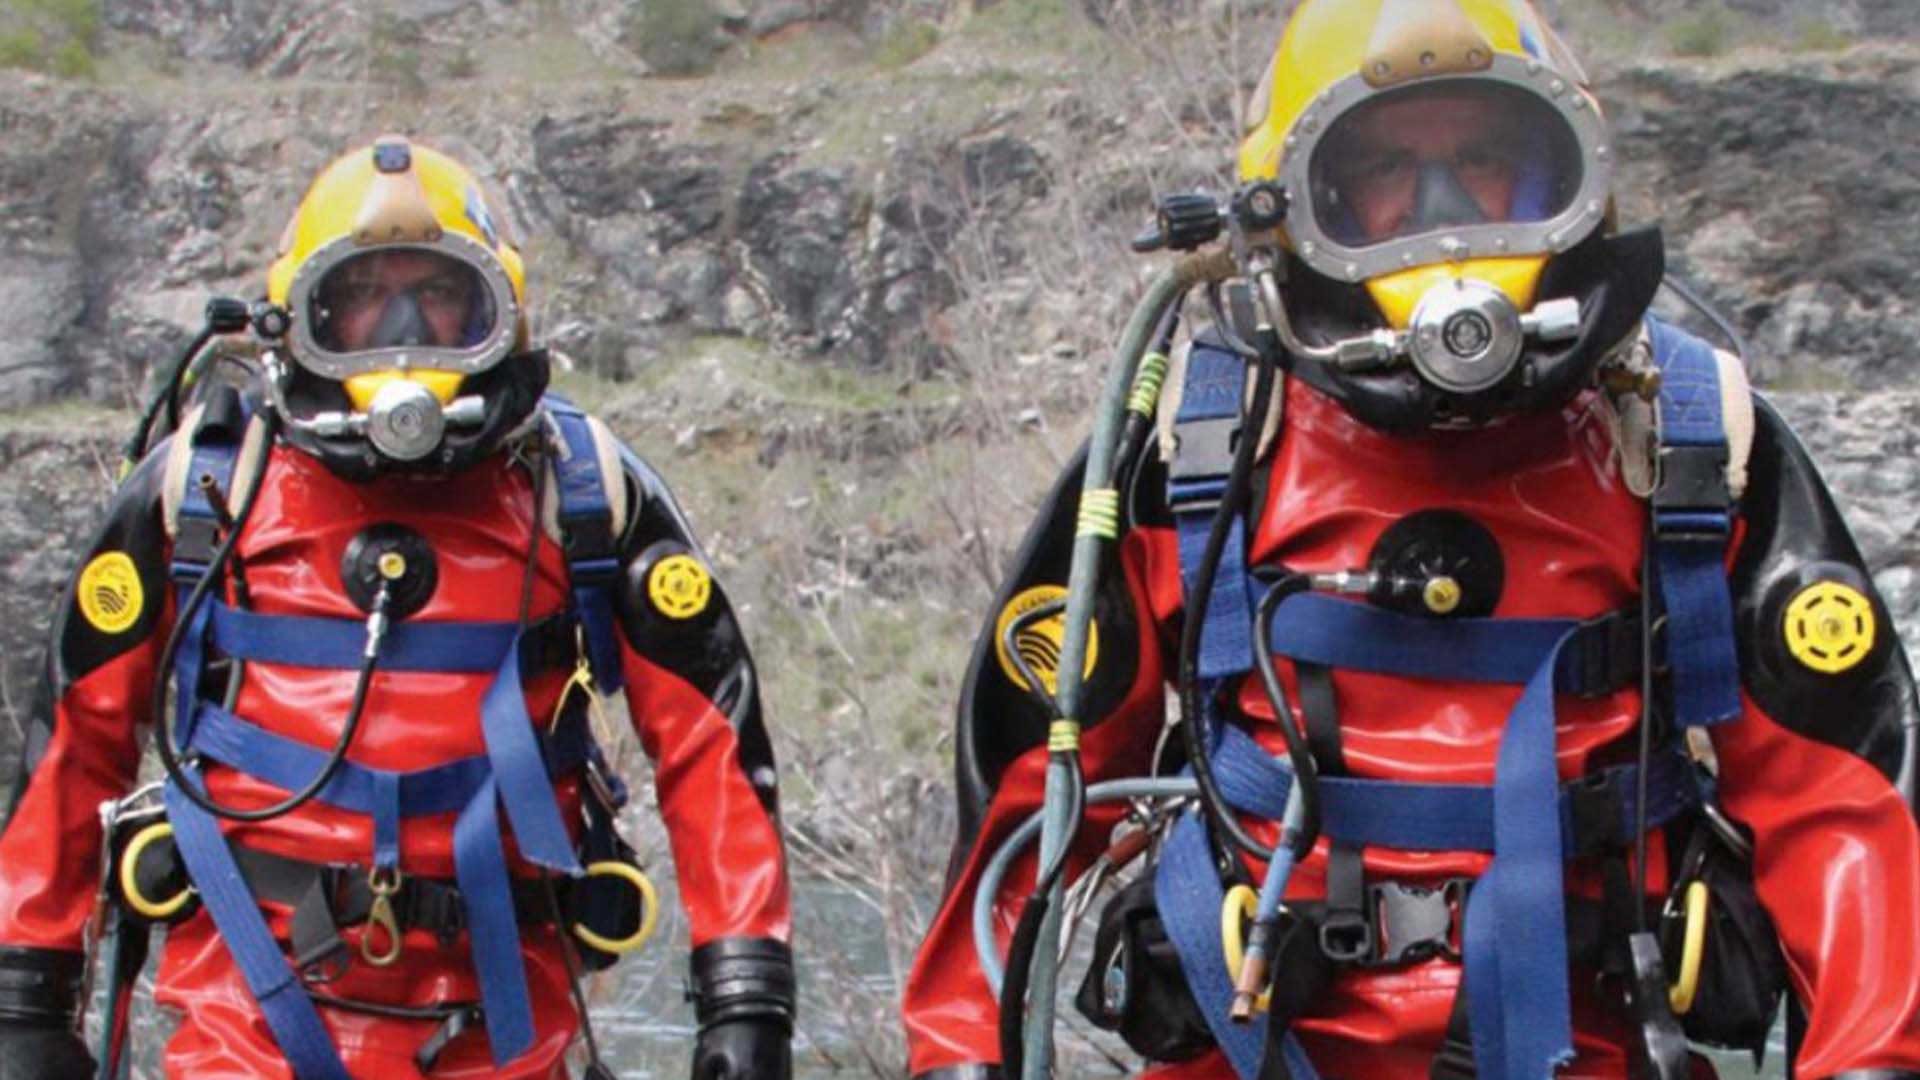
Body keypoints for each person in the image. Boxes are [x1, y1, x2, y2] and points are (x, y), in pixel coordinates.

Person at [900, 1, 1920, 1078]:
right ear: (1296, 205)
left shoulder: (1687, 440)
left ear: (1571, 183)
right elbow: (1032, 796)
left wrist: (1872, 1064)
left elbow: (1839, 805)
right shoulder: (1195, 449)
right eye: (1385, 169)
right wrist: (963, 1055)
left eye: (1487, 161)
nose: (1442, 212)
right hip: (1260, 1044)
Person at [0, 138, 795, 1079]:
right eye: (366, 298)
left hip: (503, 1024)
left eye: (440, 296)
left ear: (498, 316)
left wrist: (746, 996)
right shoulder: (206, 490)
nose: (404, 327)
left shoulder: (580, 490)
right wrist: (27, 1001)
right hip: (245, 1023)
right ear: (302, 316)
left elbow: (711, 746)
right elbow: (76, 742)